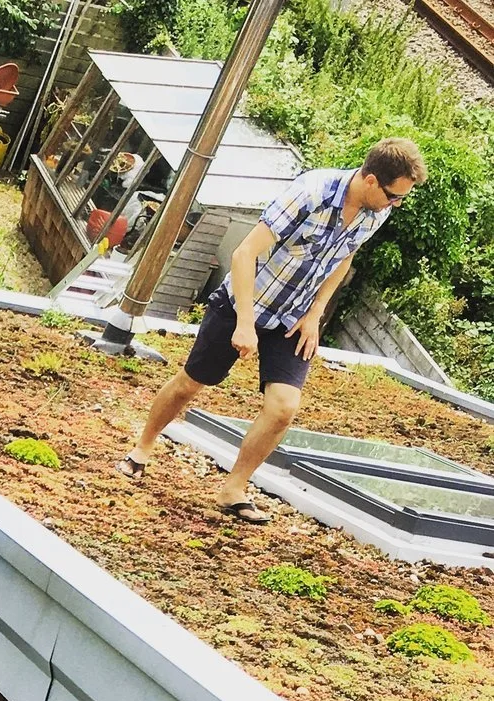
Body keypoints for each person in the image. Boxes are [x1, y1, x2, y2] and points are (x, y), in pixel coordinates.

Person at [116, 138, 426, 524]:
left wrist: (315, 313)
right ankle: (141, 449)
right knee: (190, 383)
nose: (396, 204)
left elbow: (344, 259)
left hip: (292, 319)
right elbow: (244, 253)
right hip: (242, 303)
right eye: (394, 196)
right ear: (370, 180)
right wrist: (245, 323)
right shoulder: (310, 193)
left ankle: (233, 489)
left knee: (283, 409)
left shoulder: (375, 211)